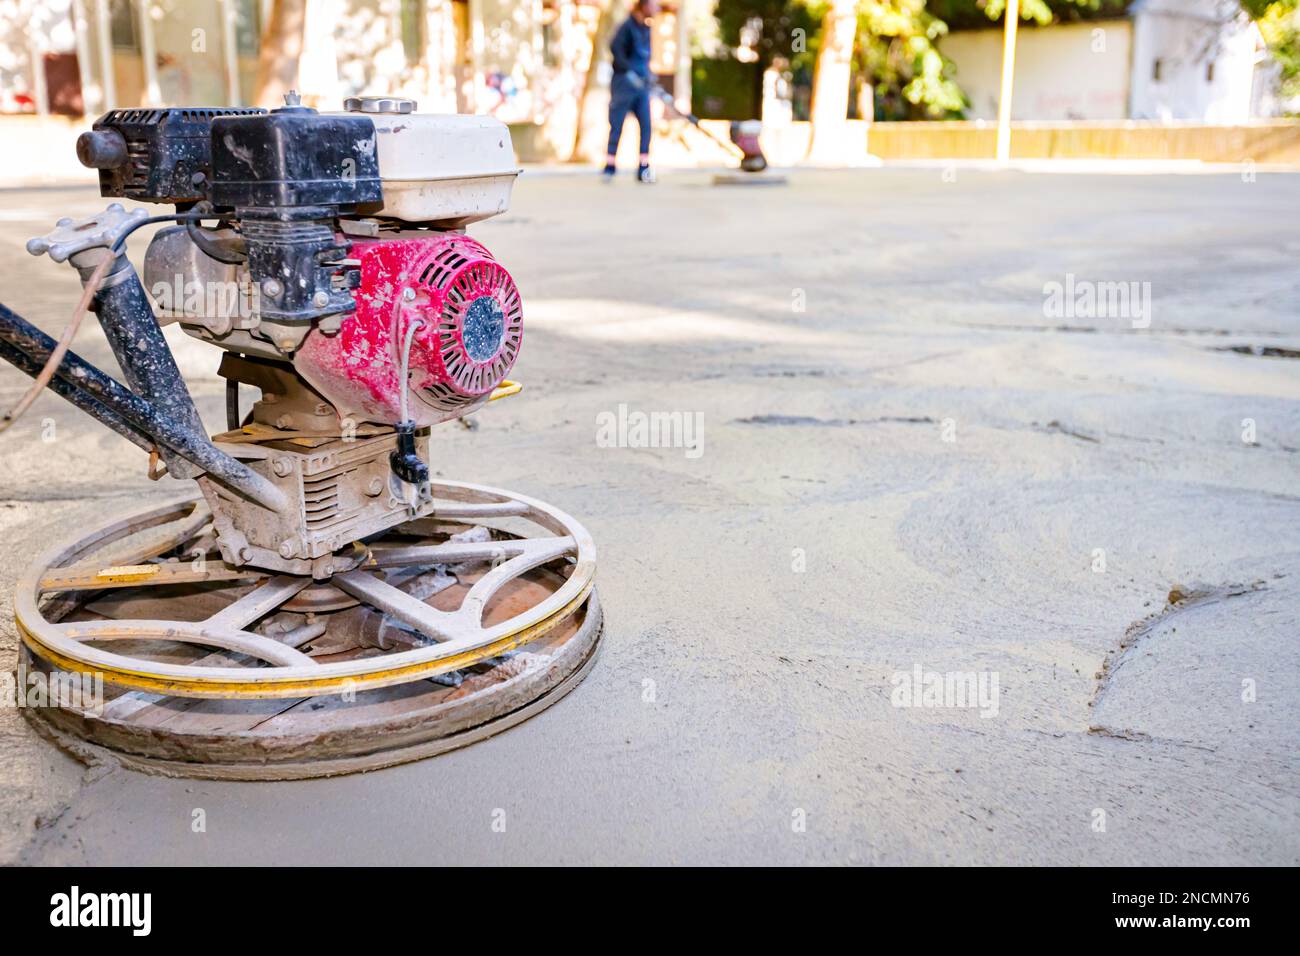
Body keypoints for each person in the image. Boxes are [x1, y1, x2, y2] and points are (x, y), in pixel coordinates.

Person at [604, 0, 658, 183]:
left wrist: (648, 76)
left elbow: (645, 58)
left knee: (646, 126)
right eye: (654, 4)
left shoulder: (646, 29)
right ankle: (609, 167)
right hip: (624, 85)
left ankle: (644, 168)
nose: (657, 8)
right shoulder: (626, 27)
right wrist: (628, 72)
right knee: (617, 126)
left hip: (642, 86)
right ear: (643, 6)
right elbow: (615, 49)